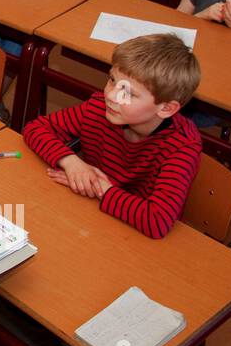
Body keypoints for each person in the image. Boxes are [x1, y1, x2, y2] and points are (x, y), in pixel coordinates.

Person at [22, 33, 202, 239]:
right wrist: (72, 162)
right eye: (112, 80)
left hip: (134, 236)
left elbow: (157, 220)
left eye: (129, 93)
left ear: (167, 108)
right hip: (92, 216)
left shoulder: (182, 147)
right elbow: (36, 128)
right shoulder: (99, 108)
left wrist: (101, 189)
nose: (111, 95)